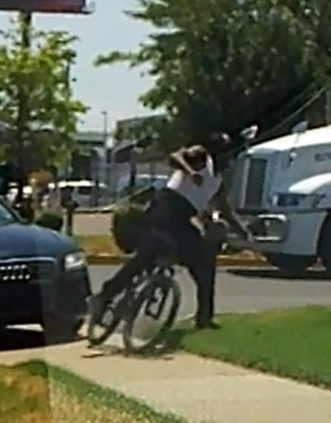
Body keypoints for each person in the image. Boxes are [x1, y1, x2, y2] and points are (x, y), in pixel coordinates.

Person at [90, 136, 252, 331]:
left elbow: (225, 209)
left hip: (182, 217)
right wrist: (191, 172)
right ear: (221, 153)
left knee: (199, 263)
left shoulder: (218, 181)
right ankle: (104, 296)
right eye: (231, 156)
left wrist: (243, 231)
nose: (232, 161)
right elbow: (175, 157)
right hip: (166, 208)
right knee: (156, 254)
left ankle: (204, 318)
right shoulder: (201, 157)